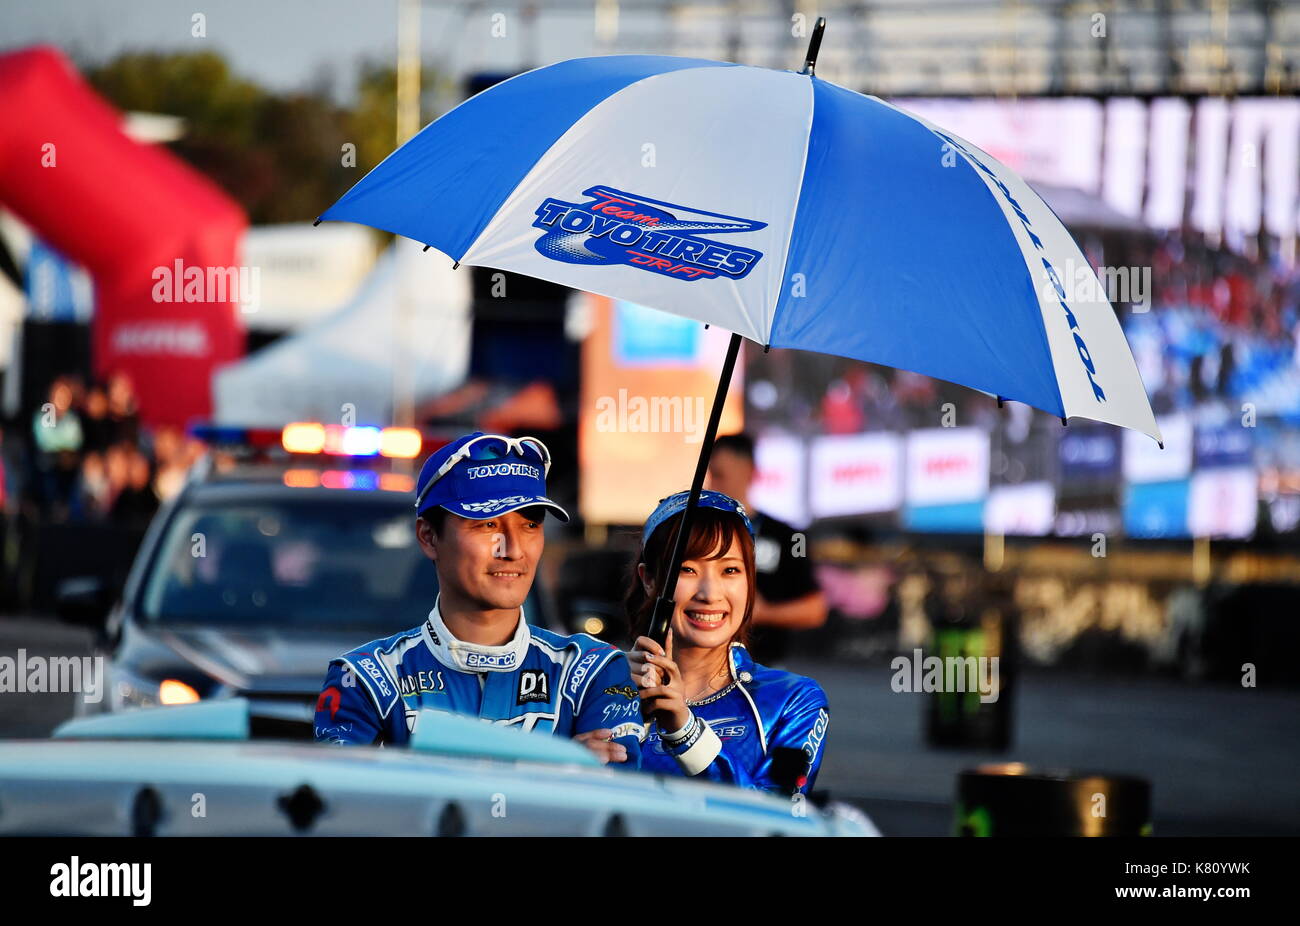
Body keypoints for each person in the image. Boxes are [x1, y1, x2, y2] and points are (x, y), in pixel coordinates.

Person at [314, 431, 642, 768]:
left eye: (530, 524)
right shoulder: (364, 677)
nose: (513, 550)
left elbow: (618, 806)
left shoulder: (594, 670)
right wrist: (559, 765)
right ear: (428, 537)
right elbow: (347, 808)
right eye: (487, 523)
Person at [625, 489, 829, 794]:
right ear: (649, 579)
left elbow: (780, 818)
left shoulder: (792, 700)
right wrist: (622, 713)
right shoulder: (595, 689)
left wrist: (684, 731)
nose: (710, 594)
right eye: (688, 569)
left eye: (730, 570)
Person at [705, 433, 827, 666]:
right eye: (711, 474)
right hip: (702, 669)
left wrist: (762, 613)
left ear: (749, 472)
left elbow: (815, 609)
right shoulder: (697, 534)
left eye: (720, 475)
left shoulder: (790, 537)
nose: (713, 484)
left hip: (763, 669)